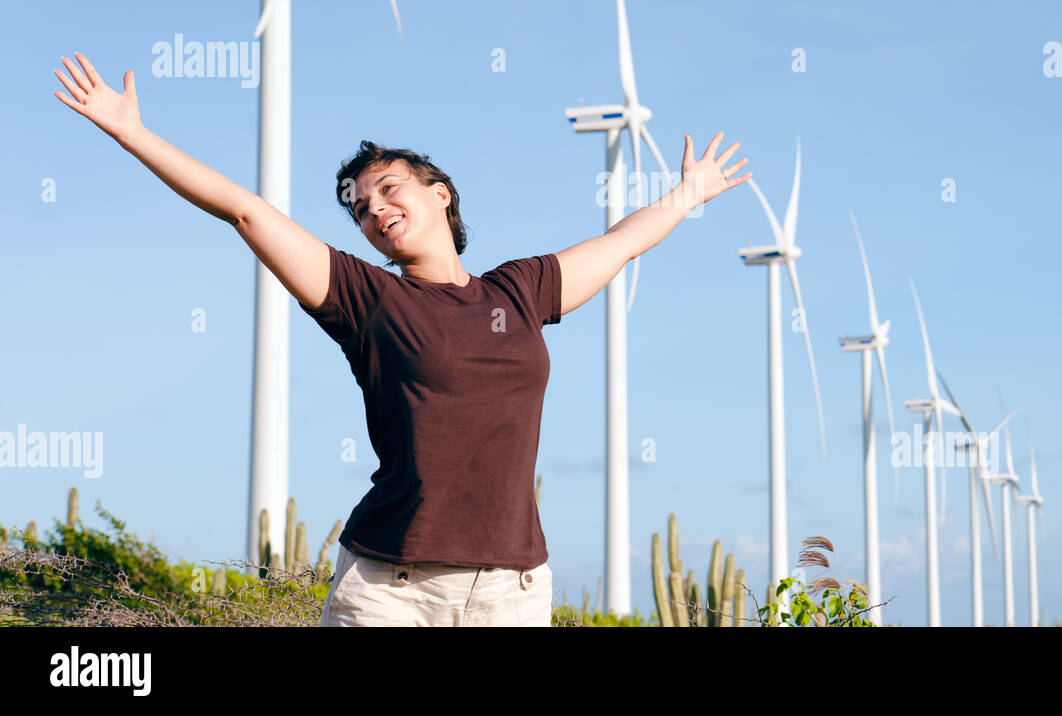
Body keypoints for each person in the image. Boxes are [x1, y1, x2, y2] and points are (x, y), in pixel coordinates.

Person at [51, 52, 752, 626]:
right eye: (361, 210)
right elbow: (244, 210)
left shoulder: (520, 289)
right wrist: (131, 132)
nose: (375, 211)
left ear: (440, 192)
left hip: (512, 593)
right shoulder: (368, 299)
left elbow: (620, 243)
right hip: (392, 589)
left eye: (389, 190)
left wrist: (686, 196)